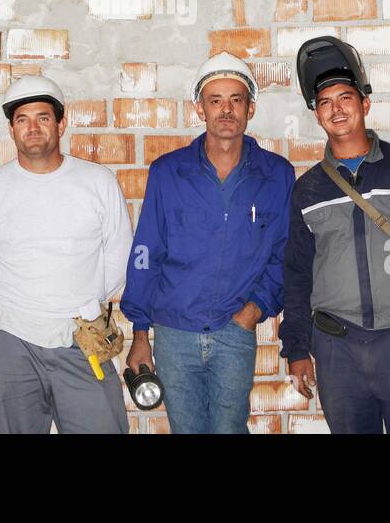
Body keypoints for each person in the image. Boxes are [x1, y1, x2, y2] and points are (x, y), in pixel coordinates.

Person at [281, 37, 390, 433]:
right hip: (337, 350)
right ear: (317, 115)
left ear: (364, 104)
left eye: (345, 97)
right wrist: (296, 348)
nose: (336, 109)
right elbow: (296, 275)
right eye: (325, 102)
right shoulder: (308, 189)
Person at [121, 52, 294, 433]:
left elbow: (285, 253)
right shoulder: (168, 172)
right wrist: (139, 333)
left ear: (250, 108)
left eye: (235, 99)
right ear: (200, 109)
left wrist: (254, 311)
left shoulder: (277, 174)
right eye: (215, 100)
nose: (226, 110)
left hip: (234, 331)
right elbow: (146, 253)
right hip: (174, 333)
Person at [0, 74, 133, 433]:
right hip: (12, 339)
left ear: (61, 123)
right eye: (22, 120)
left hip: (82, 337)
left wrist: (85, 305)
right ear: (11, 130)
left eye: (42, 117)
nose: (32, 127)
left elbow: (119, 254)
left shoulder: (97, 182)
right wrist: (9, 310)